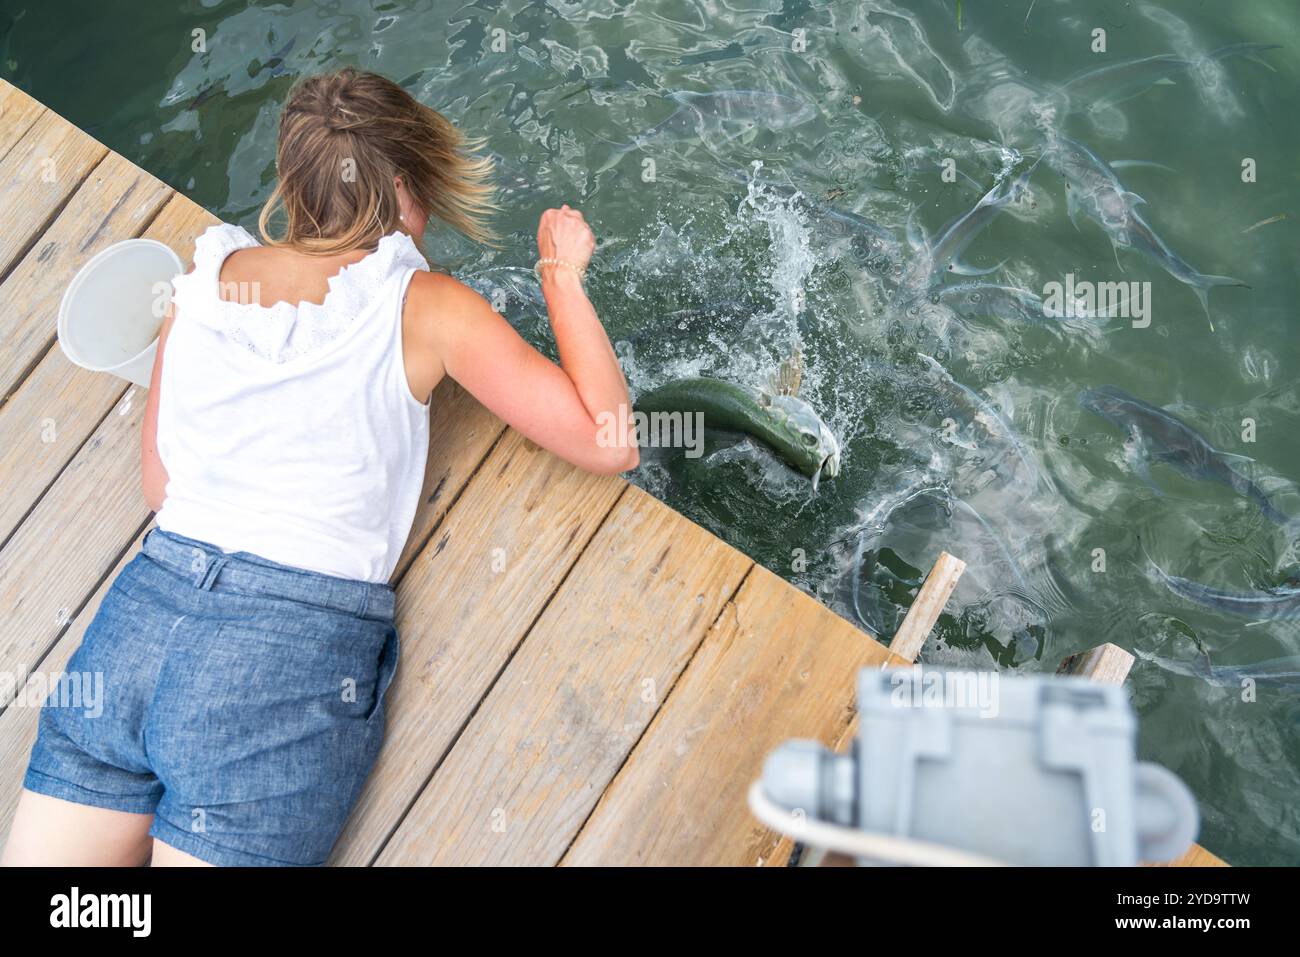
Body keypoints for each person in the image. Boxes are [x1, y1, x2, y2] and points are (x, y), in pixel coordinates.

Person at [1, 67, 636, 867]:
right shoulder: (425, 303)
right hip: (276, 663)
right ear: (406, 189)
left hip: (138, 631)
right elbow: (609, 438)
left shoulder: (199, 283)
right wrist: (560, 273)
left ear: (291, 181)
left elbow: (163, 487)